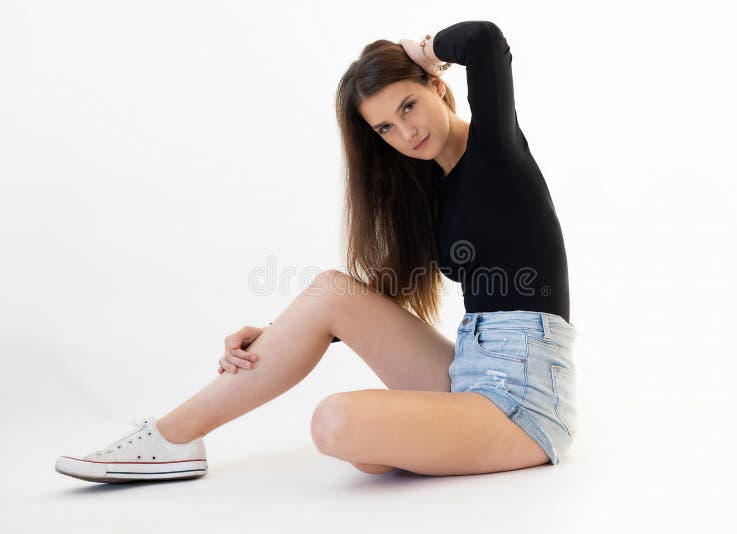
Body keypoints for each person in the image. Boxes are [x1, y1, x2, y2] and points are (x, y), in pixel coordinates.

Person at [55, 20, 578, 483]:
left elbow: (485, 40)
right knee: (330, 291)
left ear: (437, 87)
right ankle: (172, 439)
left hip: (524, 399)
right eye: (385, 128)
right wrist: (285, 332)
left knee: (335, 424)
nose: (406, 131)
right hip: (471, 367)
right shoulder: (436, 190)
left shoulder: (495, 150)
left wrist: (419, 49)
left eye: (408, 105)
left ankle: (170, 442)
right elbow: (374, 303)